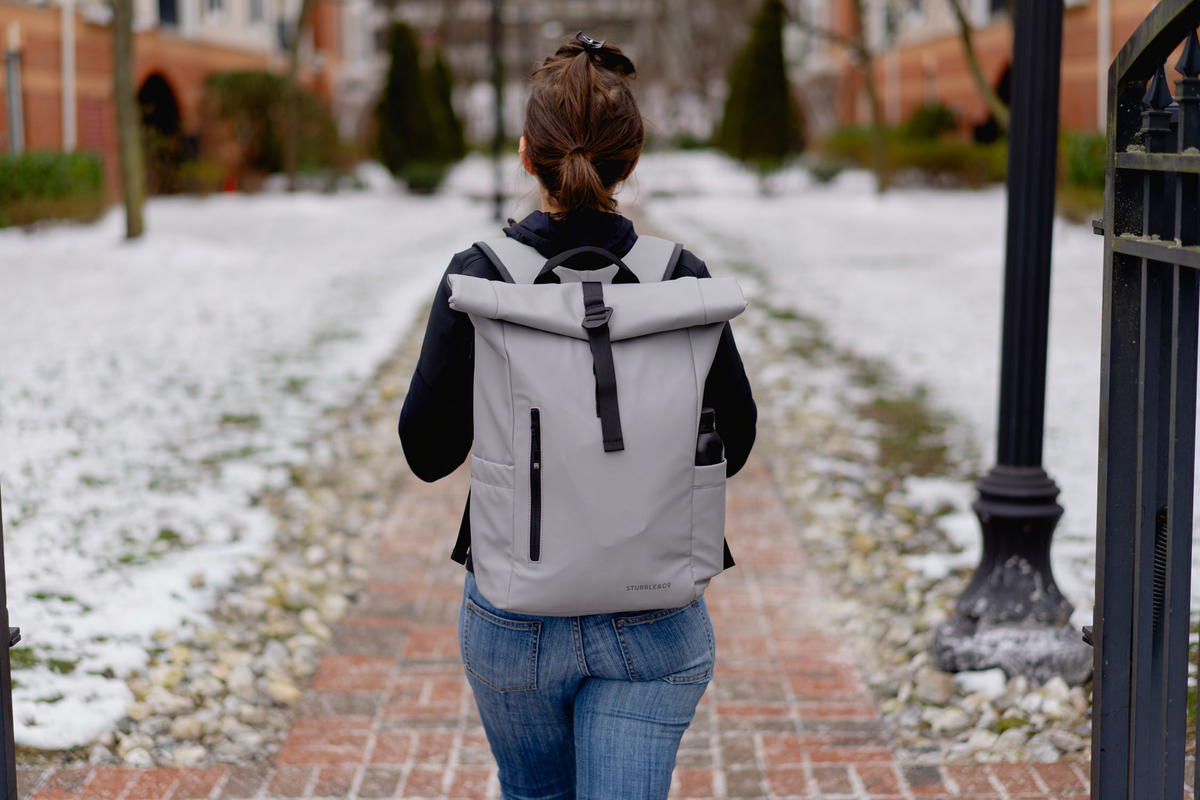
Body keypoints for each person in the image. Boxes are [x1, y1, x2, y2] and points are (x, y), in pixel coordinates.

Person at [398, 33, 757, 800]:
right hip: (656, 608)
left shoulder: (481, 279)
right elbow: (739, 440)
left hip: (515, 612)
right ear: (632, 159)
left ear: (529, 156)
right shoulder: (679, 280)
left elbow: (427, 452)